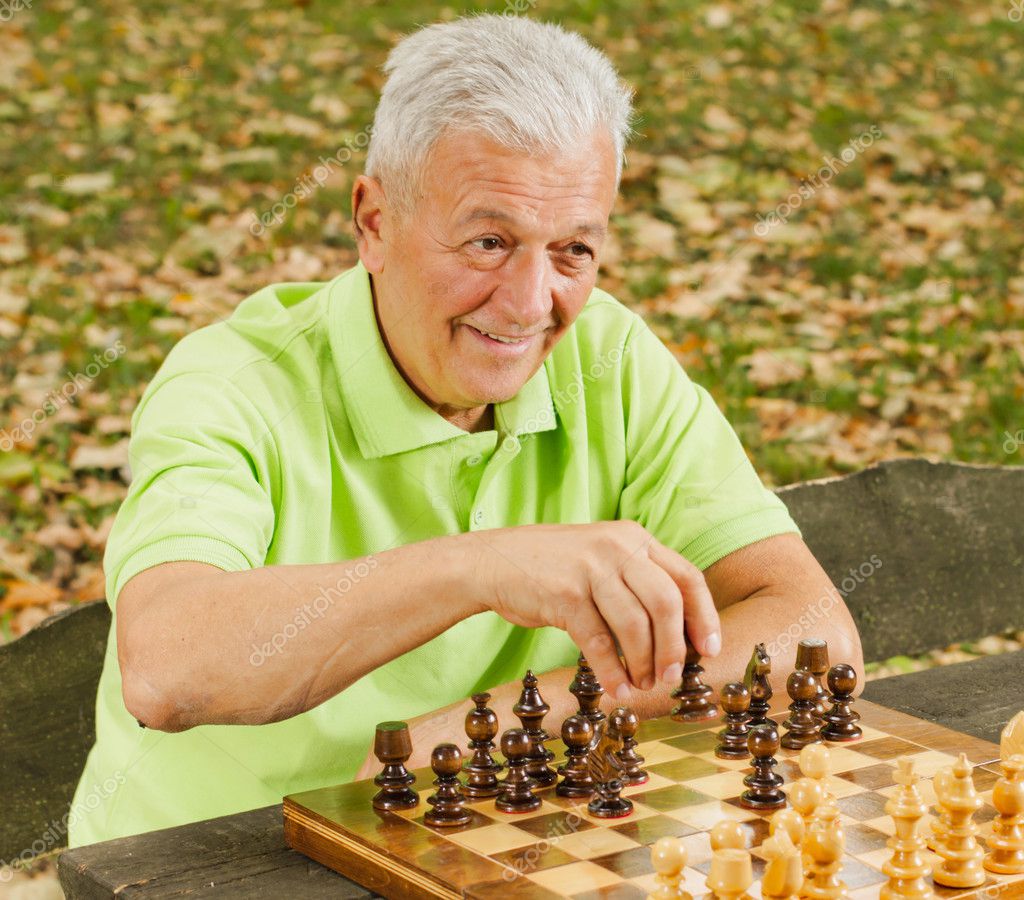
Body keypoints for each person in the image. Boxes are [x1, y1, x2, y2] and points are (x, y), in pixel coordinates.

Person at [68, 13, 863, 846]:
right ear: (373, 221)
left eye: (573, 251)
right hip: (213, 865)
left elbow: (810, 628)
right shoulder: (233, 385)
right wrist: (482, 567)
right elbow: (167, 668)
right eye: (488, 241)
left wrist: (492, 721)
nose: (530, 304)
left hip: (483, 845)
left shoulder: (610, 358)